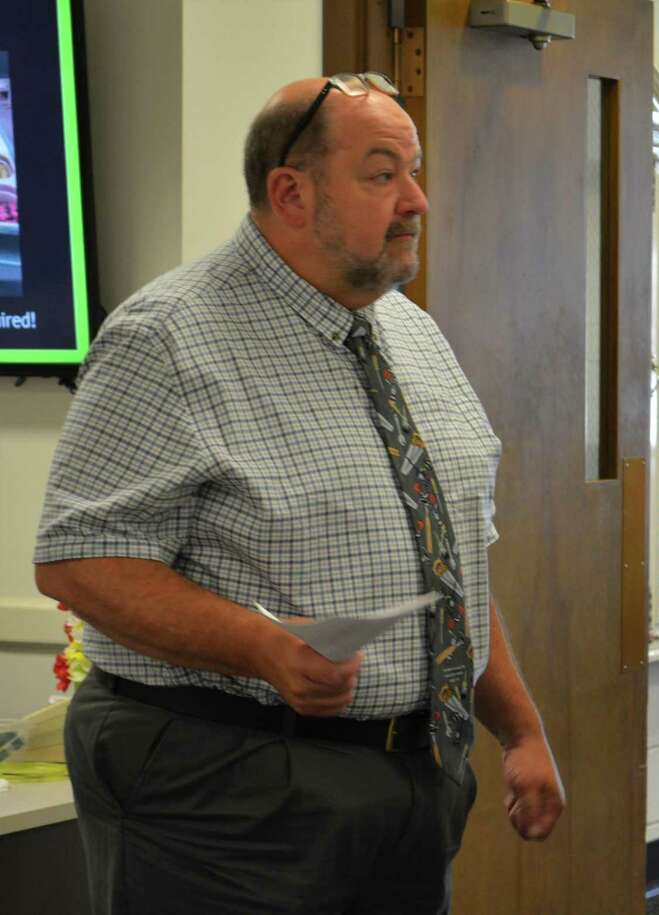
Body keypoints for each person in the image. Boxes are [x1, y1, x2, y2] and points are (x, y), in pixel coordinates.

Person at [34, 72, 564, 915]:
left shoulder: (414, 336)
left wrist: (522, 729)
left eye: (415, 172)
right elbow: (78, 561)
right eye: (382, 174)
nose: (417, 200)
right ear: (291, 191)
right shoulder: (168, 337)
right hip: (222, 789)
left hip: (408, 780)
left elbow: (454, 559)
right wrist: (261, 646)